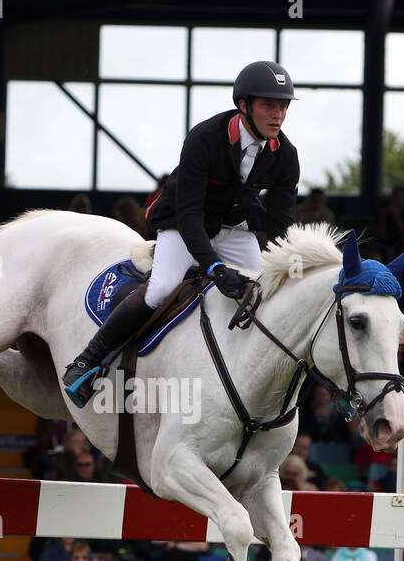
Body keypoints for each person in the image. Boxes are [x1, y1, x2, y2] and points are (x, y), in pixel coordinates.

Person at [61, 60, 300, 405]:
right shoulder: (205, 138)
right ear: (244, 105)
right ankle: (87, 361)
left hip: (234, 228)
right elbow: (189, 215)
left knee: (262, 295)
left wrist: (281, 271)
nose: (278, 114)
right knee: (161, 289)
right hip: (182, 222)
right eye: (269, 105)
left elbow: (280, 225)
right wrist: (214, 268)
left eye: (284, 106)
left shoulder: (286, 155)